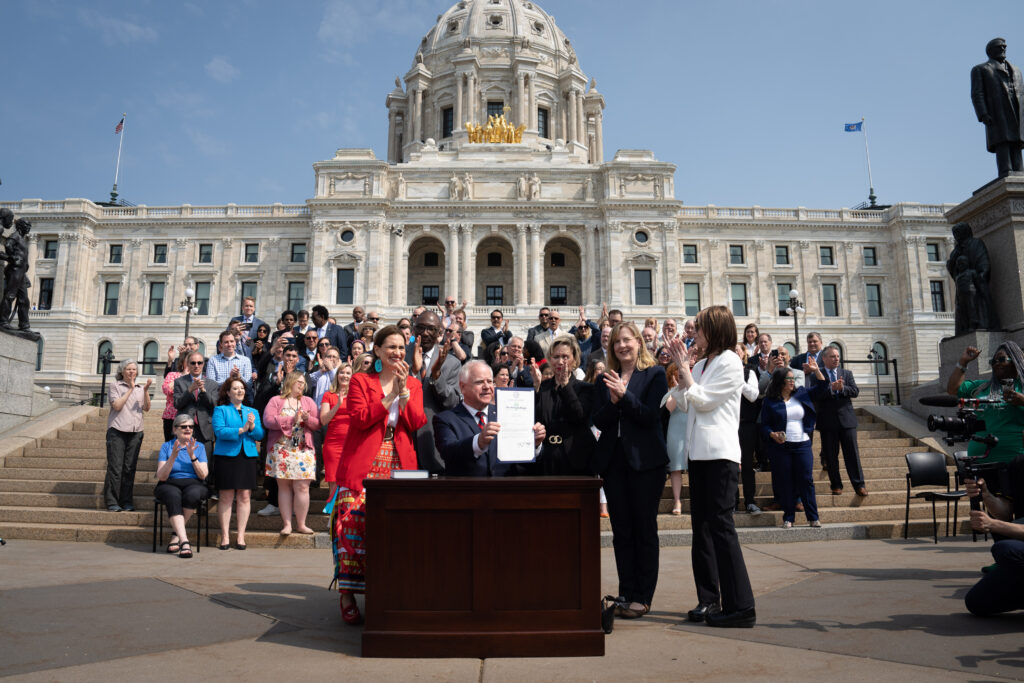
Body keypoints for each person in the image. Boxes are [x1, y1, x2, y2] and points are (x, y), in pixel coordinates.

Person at [667, 305, 755, 628]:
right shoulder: (703, 363)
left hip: (720, 456)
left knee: (721, 528)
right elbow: (687, 400)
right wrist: (681, 372)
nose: (695, 334)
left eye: (700, 329)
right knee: (701, 531)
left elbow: (704, 401)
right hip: (698, 456)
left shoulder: (731, 361)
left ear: (715, 331)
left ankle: (741, 605)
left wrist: (686, 374)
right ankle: (708, 599)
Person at [333, 325, 426, 625]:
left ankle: (385, 589)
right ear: (378, 351)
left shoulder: (413, 382)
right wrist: (389, 398)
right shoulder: (362, 380)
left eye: (402, 348)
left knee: (394, 528)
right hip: (365, 459)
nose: (398, 353)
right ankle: (347, 592)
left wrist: (403, 392)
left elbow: (415, 422)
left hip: (399, 460)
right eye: (392, 347)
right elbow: (359, 419)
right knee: (353, 524)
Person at [592, 322, 669, 620]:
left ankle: (643, 596)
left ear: (639, 342)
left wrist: (625, 396)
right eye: (616, 342)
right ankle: (626, 592)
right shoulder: (605, 379)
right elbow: (598, 420)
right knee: (621, 531)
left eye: (627, 340)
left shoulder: (655, 374)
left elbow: (653, 417)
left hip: (646, 462)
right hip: (614, 462)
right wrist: (613, 402)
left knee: (644, 529)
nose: (622, 346)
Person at [434, 360, 546, 476]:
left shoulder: (507, 414)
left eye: (490, 381)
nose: (487, 387)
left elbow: (523, 463)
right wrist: (478, 442)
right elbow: (448, 452)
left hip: (505, 491)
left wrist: (534, 445)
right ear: (462, 387)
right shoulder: (446, 419)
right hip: (468, 491)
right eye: (479, 382)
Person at [760, 362, 827, 529]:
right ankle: (788, 517)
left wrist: (817, 370)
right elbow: (764, 425)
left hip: (802, 444)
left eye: (793, 379)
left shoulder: (802, 394)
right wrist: (772, 434)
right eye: (789, 379)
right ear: (780, 381)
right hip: (781, 447)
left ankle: (813, 517)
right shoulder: (770, 401)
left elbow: (823, 386)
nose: (792, 381)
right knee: (786, 482)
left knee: (806, 480)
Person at [947, 342, 1024, 473]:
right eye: (993, 361)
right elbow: (953, 389)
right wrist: (963, 361)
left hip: (1015, 462)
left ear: (1015, 360)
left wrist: (1022, 401)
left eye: (1001, 359)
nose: (996, 363)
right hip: (980, 461)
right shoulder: (982, 387)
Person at [962, 456, 1024, 616]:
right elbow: (1004, 514)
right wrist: (985, 495)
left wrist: (992, 524)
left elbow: (1000, 523)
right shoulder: (1018, 464)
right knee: (976, 602)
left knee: (1007, 549)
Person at [263, 372, 321, 535]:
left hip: (303, 449)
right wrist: (291, 419)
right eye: (298, 382)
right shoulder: (276, 400)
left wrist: (307, 419)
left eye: (303, 383)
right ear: (290, 382)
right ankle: (287, 524)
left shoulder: (308, 401)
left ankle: (301, 524)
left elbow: (317, 424)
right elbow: (267, 421)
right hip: (281, 449)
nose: (302, 385)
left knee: (302, 486)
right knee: (284, 486)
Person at [212, 377, 265, 549]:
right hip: (226, 456)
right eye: (235, 388)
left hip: (247, 456)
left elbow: (259, 435)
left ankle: (241, 536)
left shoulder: (252, 411)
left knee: (244, 496)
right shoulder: (221, 410)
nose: (239, 391)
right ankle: (225, 536)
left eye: (242, 388)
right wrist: (241, 429)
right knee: (226, 496)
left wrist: (251, 427)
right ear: (228, 392)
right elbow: (220, 432)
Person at [407, 311, 462, 473]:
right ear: (413, 330)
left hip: (433, 440)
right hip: (402, 438)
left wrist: (437, 377)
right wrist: (412, 373)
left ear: (440, 333)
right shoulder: (401, 357)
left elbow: (452, 403)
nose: (425, 333)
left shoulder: (452, 363)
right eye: (420, 328)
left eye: (430, 329)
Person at [532, 335, 594, 475]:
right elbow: (534, 417)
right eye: (556, 357)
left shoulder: (585, 388)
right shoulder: (542, 387)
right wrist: (535, 389)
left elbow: (579, 417)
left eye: (565, 357)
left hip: (576, 459)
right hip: (546, 460)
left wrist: (565, 385)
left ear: (575, 359)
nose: (560, 361)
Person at [812, 346, 868, 496]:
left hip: (847, 420)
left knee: (852, 455)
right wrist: (831, 389)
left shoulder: (846, 373)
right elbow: (815, 395)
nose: (836, 359)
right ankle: (836, 485)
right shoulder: (817, 374)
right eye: (832, 356)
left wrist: (842, 388)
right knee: (831, 456)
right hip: (827, 421)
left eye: (837, 356)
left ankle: (859, 485)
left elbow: (855, 391)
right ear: (824, 359)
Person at [155, 414, 209, 559]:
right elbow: (162, 476)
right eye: (183, 426)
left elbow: (203, 475)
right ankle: (185, 541)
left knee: (193, 495)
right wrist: (173, 456)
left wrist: (192, 456)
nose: (187, 429)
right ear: (175, 430)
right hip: (169, 482)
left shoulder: (199, 447)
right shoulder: (166, 447)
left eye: (190, 426)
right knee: (172, 495)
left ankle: (176, 535)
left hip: (194, 483)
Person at [971, 38, 1024, 178]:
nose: (1003, 49)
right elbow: (977, 93)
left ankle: (1019, 169)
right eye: (999, 47)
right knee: (1003, 140)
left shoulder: (1016, 70)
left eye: (1004, 47)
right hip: (997, 111)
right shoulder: (981, 69)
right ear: (990, 51)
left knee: (1017, 141)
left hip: (1017, 109)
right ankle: (1006, 170)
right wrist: (983, 114)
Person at [104, 360, 152, 512]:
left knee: (129, 468)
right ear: (122, 371)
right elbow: (117, 406)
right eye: (128, 369)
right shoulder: (115, 386)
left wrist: (145, 391)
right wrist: (130, 390)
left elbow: (147, 408)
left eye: (134, 369)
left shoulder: (140, 388)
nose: (132, 372)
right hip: (117, 430)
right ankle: (112, 501)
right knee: (116, 468)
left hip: (135, 431)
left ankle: (126, 501)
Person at [173, 351, 220, 477]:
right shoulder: (179, 382)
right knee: (186, 462)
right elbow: (177, 403)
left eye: (199, 363)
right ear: (188, 364)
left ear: (203, 364)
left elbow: (214, 404)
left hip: (205, 429)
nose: (196, 365)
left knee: (206, 463)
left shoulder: (212, 384)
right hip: (186, 428)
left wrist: (203, 391)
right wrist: (189, 390)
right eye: (193, 363)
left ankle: (204, 491)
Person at [319, 361, 354, 501]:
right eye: (342, 372)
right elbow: (323, 420)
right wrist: (338, 404)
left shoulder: (356, 395)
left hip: (352, 444)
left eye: (348, 373)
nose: (344, 375)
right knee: (333, 482)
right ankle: (332, 518)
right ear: (337, 375)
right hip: (333, 444)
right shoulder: (329, 395)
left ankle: (346, 517)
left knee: (349, 482)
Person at [736, 344, 764, 515]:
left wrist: (739, 381)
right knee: (730, 466)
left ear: (743, 354)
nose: (734, 353)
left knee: (747, 465)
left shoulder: (750, 371)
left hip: (746, 424)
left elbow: (753, 396)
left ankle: (749, 501)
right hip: (728, 424)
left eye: (737, 351)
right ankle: (731, 503)